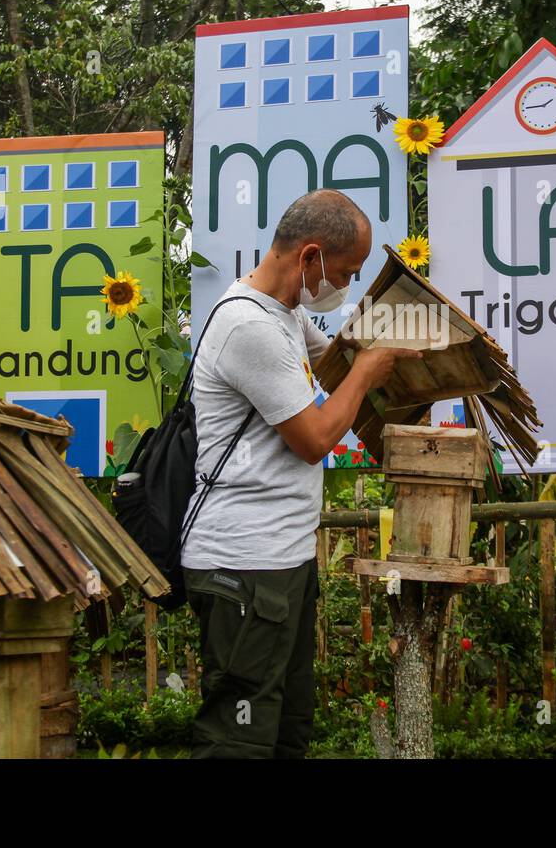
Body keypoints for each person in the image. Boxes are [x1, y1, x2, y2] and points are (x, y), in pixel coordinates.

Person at [181, 188, 420, 758]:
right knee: (237, 739)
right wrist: (366, 370)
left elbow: (330, 359)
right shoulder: (249, 328)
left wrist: (404, 353)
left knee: (288, 726)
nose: (349, 284)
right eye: (346, 271)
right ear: (309, 257)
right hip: (243, 564)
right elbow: (314, 439)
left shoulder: (282, 314)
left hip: (279, 561)